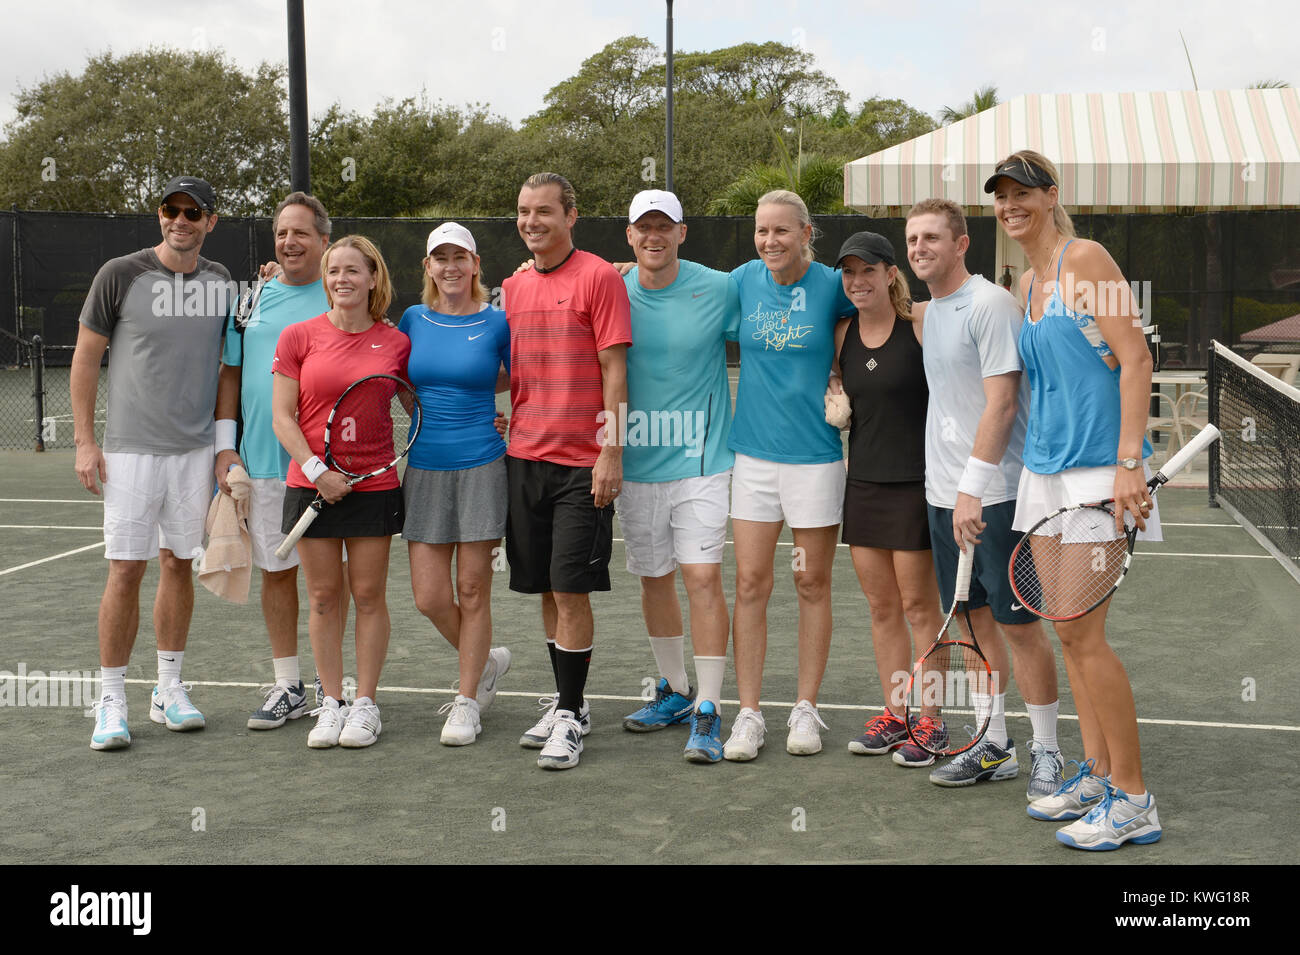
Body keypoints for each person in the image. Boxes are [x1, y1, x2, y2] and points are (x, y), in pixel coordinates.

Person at [988, 150, 1162, 849]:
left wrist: (1127, 463)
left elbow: (1137, 356)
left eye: (1022, 192)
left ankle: (1135, 799)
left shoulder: (1085, 259)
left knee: (1086, 637)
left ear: (1050, 194)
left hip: (1097, 473)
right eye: (1001, 196)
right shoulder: (1027, 282)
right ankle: (1095, 774)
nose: (1011, 205)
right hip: (1046, 475)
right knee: (1066, 631)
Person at [899, 197, 1063, 798]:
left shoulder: (991, 305)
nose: (920, 248)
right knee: (969, 623)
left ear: (961, 244)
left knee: (1018, 626)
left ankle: (1047, 750)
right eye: (913, 239)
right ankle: (993, 742)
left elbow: (1004, 402)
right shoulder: (931, 311)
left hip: (994, 495)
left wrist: (971, 488)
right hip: (943, 496)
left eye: (932, 238)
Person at [74, 175, 230, 750]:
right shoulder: (120, 274)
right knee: (125, 569)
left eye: (194, 213)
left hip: (194, 453)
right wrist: (86, 441)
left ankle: (168, 688)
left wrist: (222, 447)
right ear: (160, 215)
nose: (181, 221)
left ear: (211, 222)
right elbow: (87, 359)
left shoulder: (221, 285)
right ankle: (111, 698)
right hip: (130, 452)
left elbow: (231, 364)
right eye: (172, 210)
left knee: (176, 564)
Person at [723, 190, 857, 761]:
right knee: (751, 584)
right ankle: (749, 714)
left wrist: (842, 383)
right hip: (752, 459)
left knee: (811, 583)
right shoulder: (742, 281)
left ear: (807, 232)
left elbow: (876, 325)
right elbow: (675, 283)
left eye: (782, 230)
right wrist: (625, 268)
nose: (770, 241)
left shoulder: (833, 286)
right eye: (761, 231)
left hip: (816, 460)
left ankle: (806, 707)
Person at [504, 172, 631, 770]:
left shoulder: (601, 276)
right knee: (545, 591)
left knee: (571, 588)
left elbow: (614, 371)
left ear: (571, 215)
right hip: (524, 459)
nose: (533, 222)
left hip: (583, 464)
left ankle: (570, 718)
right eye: (525, 212)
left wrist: (611, 451)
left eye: (544, 212)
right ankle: (568, 705)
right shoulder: (512, 285)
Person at [271, 235, 411, 749]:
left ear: (373, 278)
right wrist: (316, 469)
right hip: (310, 486)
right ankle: (331, 703)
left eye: (354, 270)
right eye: (334, 271)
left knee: (369, 595)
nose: (342, 280)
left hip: (375, 485)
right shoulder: (298, 337)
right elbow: (281, 417)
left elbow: (422, 397)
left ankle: (366, 704)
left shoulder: (396, 342)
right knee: (325, 597)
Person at [616, 190, 738, 763]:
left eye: (664, 227)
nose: (654, 236)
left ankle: (709, 709)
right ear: (630, 236)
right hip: (635, 465)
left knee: (702, 578)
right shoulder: (611, 289)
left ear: (682, 233)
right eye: (644, 228)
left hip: (703, 465)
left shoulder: (719, 286)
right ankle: (675, 692)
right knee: (654, 578)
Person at [213, 192, 333, 730]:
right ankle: (289, 684)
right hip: (262, 463)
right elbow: (231, 377)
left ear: (324, 241)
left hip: (326, 468)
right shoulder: (253, 297)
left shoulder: (341, 292)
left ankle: (339, 692)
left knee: (331, 583)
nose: (289, 242)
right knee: (277, 574)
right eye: (282, 233)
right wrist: (226, 446)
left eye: (301, 233)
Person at [829, 232, 947, 759]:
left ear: (890, 273)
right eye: (849, 273)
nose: (857, 281)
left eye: (868, 271)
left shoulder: (921, 324)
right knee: (881, 608)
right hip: (863, 486)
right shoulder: (841, 334)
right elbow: (839, 389)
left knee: (922, 607)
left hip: (918, 487)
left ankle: (932, 721)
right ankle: (895, 714)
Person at [399, 222, 513, 746]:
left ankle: (468, 701)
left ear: (475, 265)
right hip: (424, 467)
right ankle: (486, 663)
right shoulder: (412, 319)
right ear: (428, 267)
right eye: (439, 258)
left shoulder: (496, 323)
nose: (450, 267)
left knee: (472, 588)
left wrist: (506, 419)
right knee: (428, 597)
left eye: (459, 257)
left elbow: (517, 379)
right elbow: (403, 385)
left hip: (483, 465)